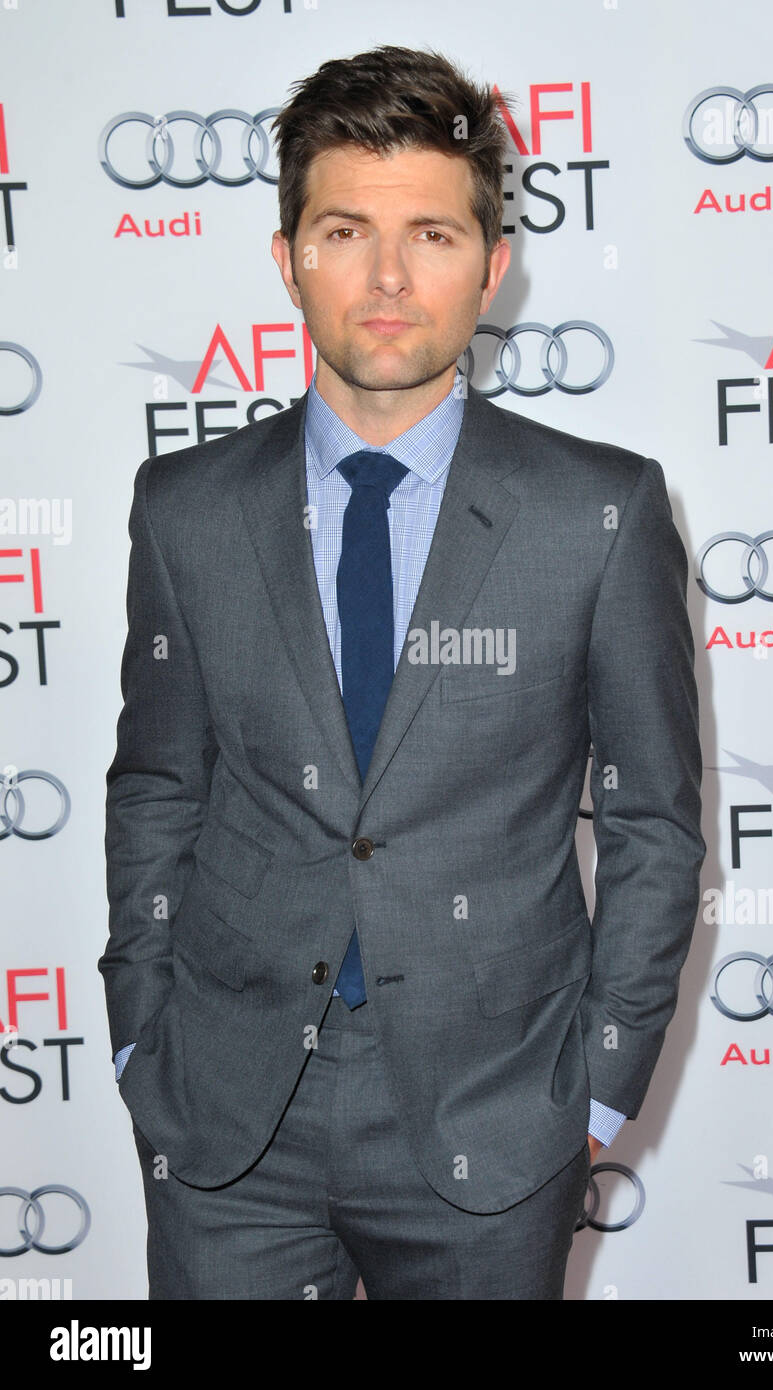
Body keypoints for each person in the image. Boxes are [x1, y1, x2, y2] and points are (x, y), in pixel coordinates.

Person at [99, 44, 706, 1301]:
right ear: (288, 261)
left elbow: (652, 822)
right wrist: (138, 1039)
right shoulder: (185, 509)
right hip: (227, 1117)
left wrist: (594, 1088)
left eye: (431, 233)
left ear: (493, 266)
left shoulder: (599, 510)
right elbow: (157, 785)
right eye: (343, 231)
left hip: (496, 1113)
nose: (386, 277)